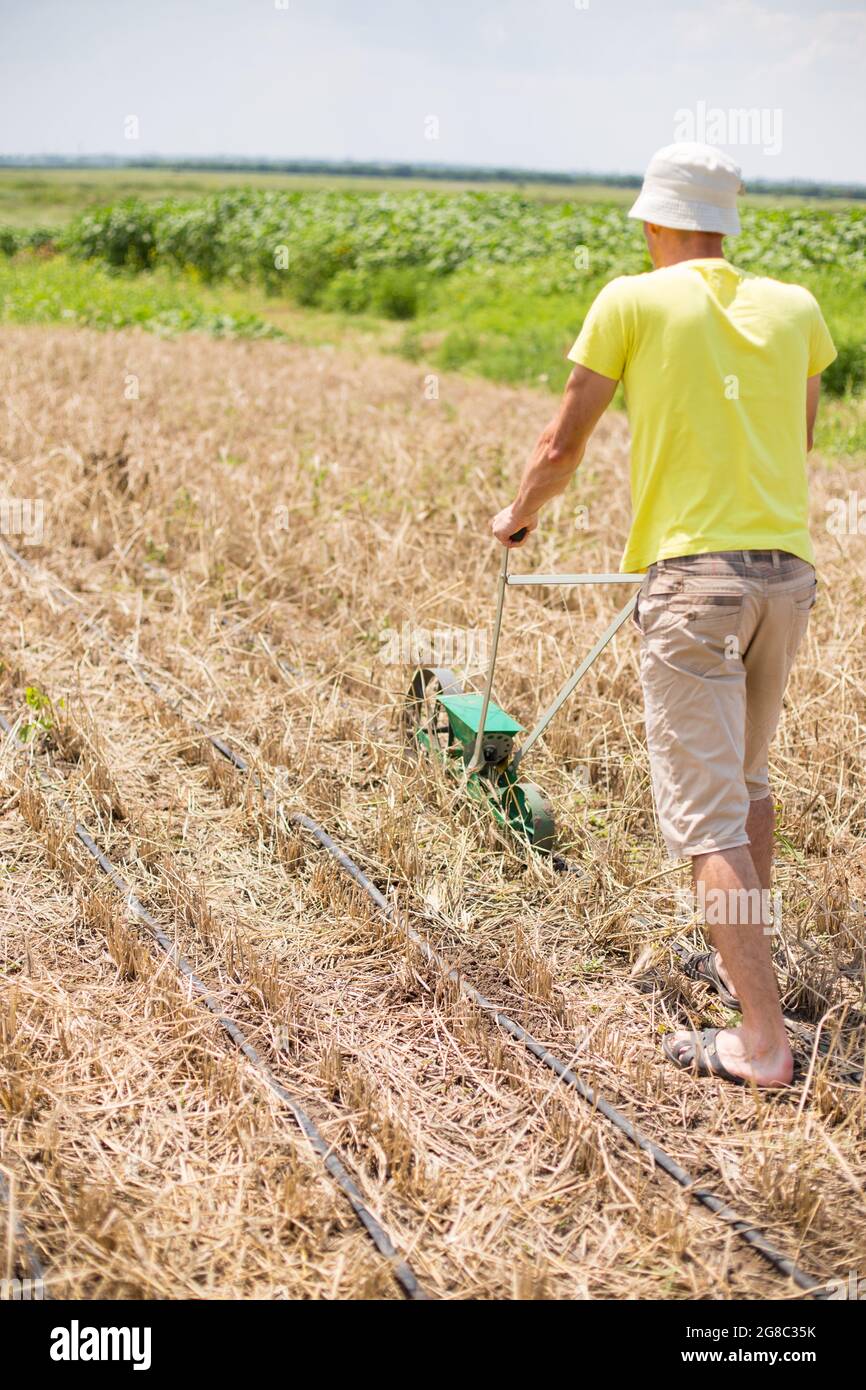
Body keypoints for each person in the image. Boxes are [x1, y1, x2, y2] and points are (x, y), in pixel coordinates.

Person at [490, 142, 837, 1087]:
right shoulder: (798, 309)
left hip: (695, 585)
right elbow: (795, 438)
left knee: (708, 823)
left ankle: (762, 1046)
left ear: (653, 222)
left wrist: (517, 517)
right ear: (725, 222)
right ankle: (747, 981)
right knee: (748, 786)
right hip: (785, 578)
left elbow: (562, 443)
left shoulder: (630, 300)